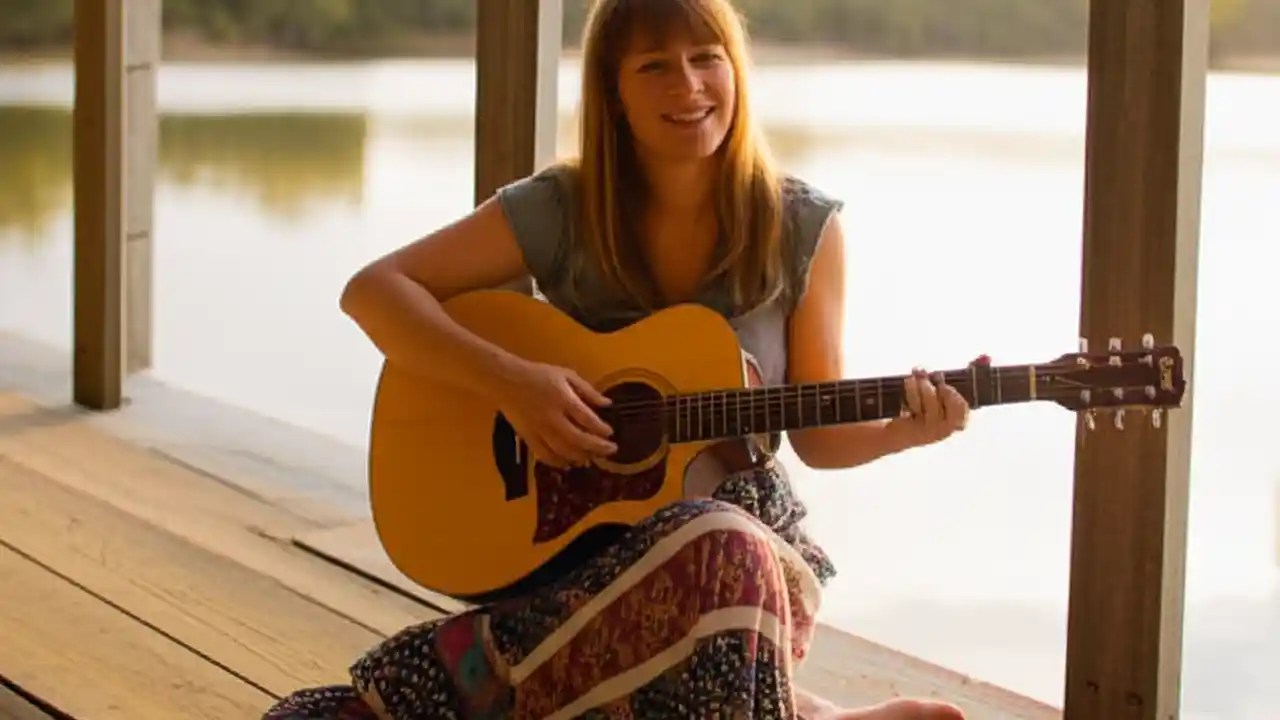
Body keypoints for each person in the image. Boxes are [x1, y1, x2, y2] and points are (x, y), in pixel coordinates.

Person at [264, 0, 978, 718]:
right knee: (710, 563)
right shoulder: (564, 208)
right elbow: (374, 291)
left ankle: (476, 676)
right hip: (579, 563)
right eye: (655, 66)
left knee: (723, 539)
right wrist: (513, 384)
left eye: (706, 58)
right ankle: (806, 712)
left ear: (736, 70)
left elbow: (818, 439)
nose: (688, 86)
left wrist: (900, 431)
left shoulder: (801, 228)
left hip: (751, 570)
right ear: (614, 93)